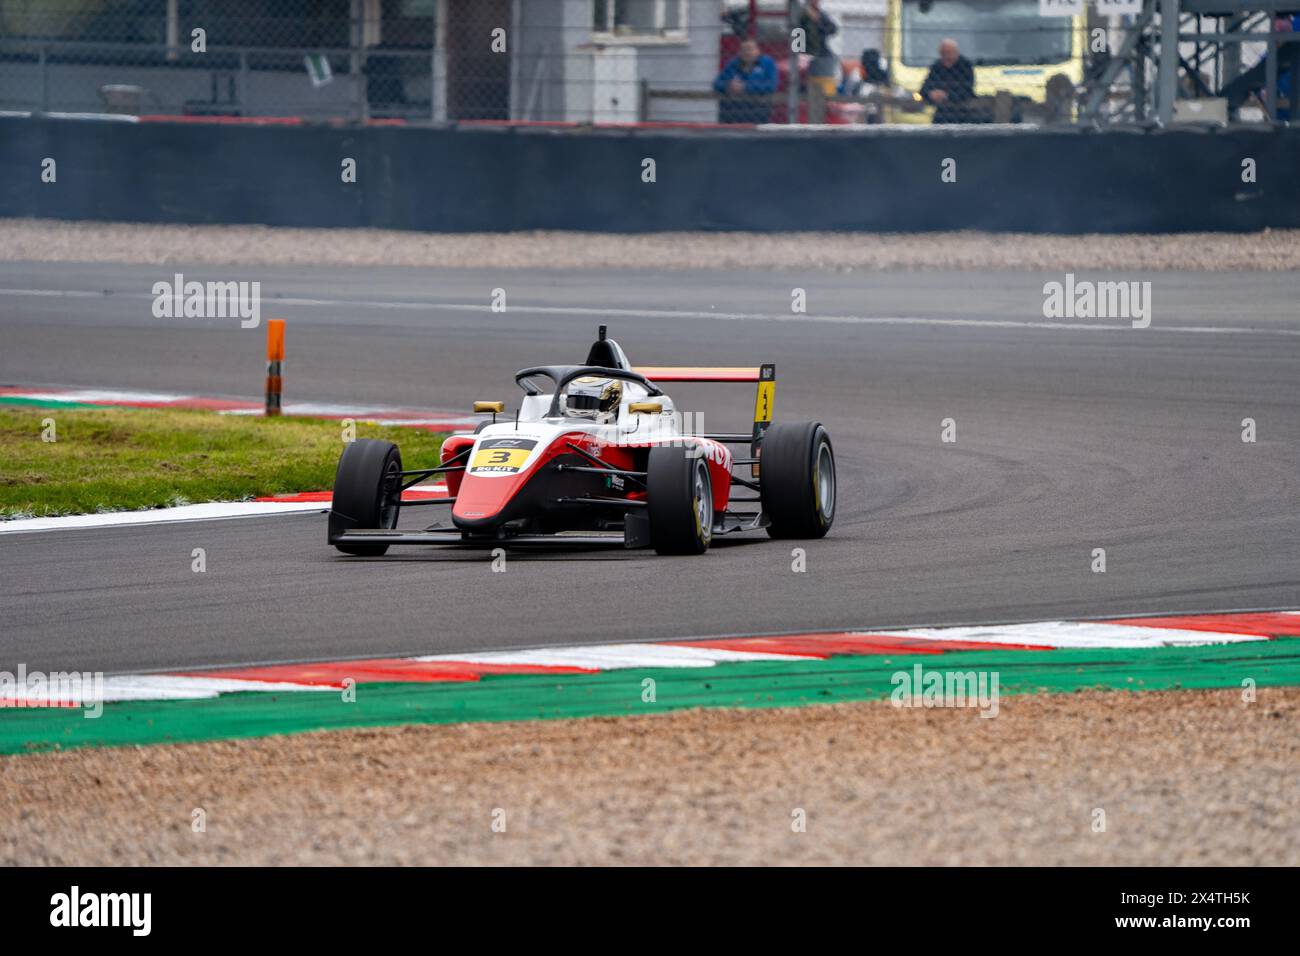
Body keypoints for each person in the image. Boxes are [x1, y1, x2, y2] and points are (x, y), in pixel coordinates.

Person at [713, 38, 778, 124]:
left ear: (758, 51)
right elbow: (717, 83)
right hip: (732, 109)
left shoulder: (767, 63)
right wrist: (728, 86)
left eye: (750, 49)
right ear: (739, 52)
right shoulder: (733, 63)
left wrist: (745, 87)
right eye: (743, 50)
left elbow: (771, 86)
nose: (747, 53)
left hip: (758, 108)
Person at [919, 38, 976, 123]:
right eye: (943, 53)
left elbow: (967, 89)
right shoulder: (937, 67)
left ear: (956, 53)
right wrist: (931, 93)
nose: (946, 56)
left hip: (963, 112)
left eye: (949, 53)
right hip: (942, 113)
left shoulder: (965, 66)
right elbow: (924, 89)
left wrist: (946, 95)